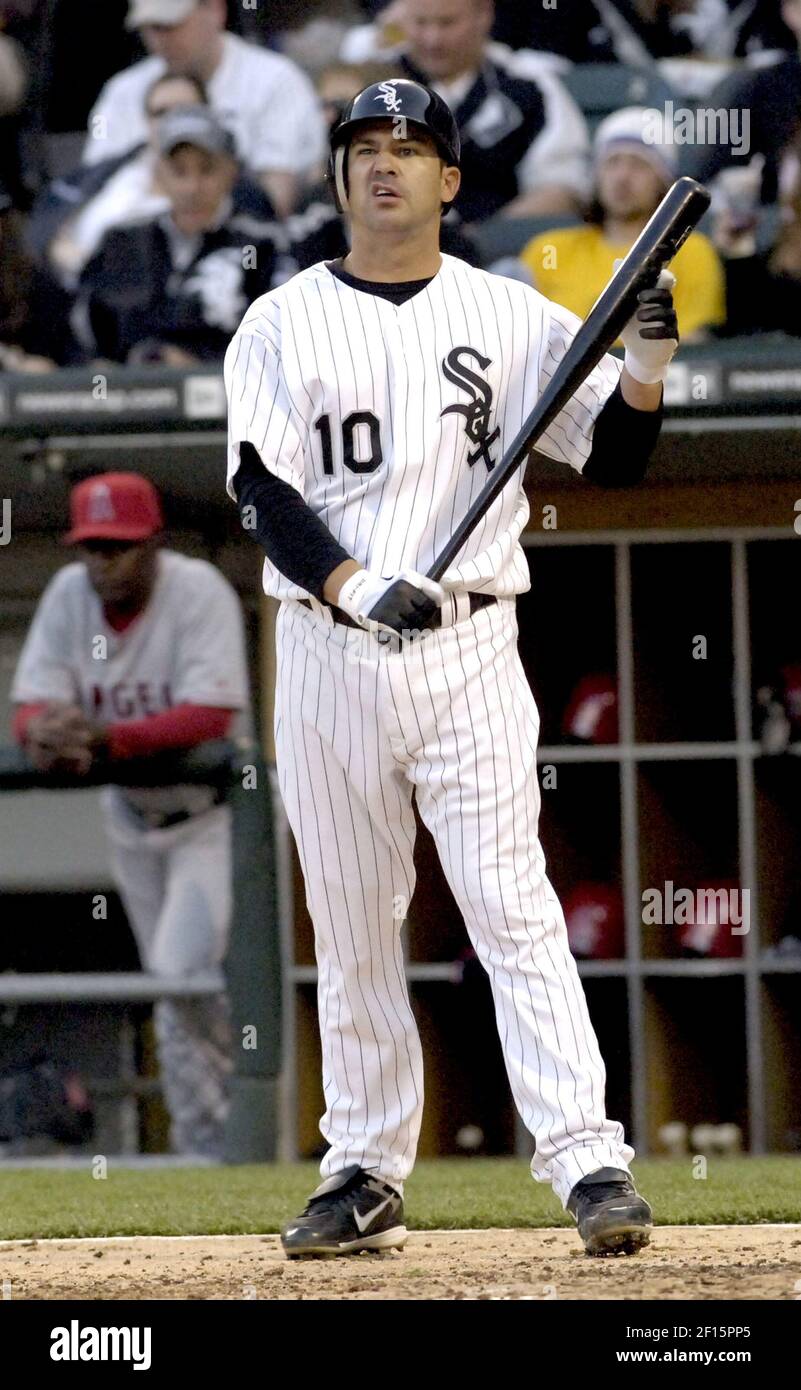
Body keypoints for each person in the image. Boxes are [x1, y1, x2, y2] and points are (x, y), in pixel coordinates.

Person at [224, 77, 679, 1258]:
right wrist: (353, 582)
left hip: (472, 639)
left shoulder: (513, 312)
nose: (386, 164)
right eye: (365, 148)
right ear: (337, 178)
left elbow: (614, 462)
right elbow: (261, 490)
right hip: (328, 646)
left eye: (410, 147)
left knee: (510, 904)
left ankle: (587, 1159)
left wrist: (644, 368)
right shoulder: (278, 322)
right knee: (354, 921)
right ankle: (367, 1167)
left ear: (450, 178)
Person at [10, 472, 250, 1159]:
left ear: (152, 545)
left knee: (178, 978)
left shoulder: (194, 588)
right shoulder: (66, 595)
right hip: (132, 823)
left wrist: (109, 739)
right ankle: (223, 1144)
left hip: (208, 819)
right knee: (184, 996)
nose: (101, 562)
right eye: (91, 547)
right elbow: (32, 699)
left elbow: (212, 712)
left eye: (117, 547)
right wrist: (40, 732)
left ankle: (206, 1151)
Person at [340, 0, 590, 222]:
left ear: (484, 15)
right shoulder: (375, 83)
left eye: (447, 23)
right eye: (420, 22)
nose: (433, 39)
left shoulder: (527, 88)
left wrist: (475, 243)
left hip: (494, 258)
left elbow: (561, 189)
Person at [74, 105, 284, 364]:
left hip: (229, 394)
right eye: (179, 171)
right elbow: (85, 330)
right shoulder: (121, 242)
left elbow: (282, 342)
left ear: (230, 172)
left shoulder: (262, 243)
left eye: (206, 170)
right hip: (129, 395)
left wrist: (198, 364)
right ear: (159, 173)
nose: (192, 187)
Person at [83, 0, 326, 217]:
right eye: (149, 27)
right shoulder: (122, 91)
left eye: (170, 24)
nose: (159, 40)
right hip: (131, 249)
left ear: (216, 9)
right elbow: (87, 189)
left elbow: (276, 201)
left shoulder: (276, 82)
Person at [520, 107, 725, 341]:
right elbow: (523, 340)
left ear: (663, 181)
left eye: (639, 164)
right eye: (612, 162)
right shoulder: (548, 249)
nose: (622, 176)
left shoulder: (692, 251)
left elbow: (693, 342)